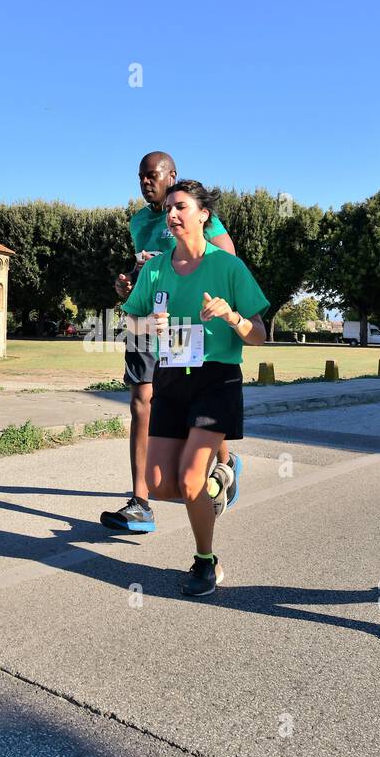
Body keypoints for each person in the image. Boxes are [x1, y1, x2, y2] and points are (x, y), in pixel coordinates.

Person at [120, 180, 269, 596]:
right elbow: (130, 319)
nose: (171, 214)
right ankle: (220, 482)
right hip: (171, 377)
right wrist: (147, 324)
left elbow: (257, 334)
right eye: (168, 208)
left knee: (189, 483)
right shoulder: (154, 268)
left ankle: (205, 561)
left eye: (180, 206)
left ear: (204, 215)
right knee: (158, 483)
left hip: (216, 378)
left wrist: (232, 318)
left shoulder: (228, 267)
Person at [101, 152, 242, 534]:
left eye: (152, 175)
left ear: (171, 175)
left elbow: (226, 256)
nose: (146, 182)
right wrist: (128, 282)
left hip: (184, 323)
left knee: (195, 400)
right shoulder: (139, 222)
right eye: (140, 177)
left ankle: (227, 464)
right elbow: (140, 269)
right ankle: (140, 503)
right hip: (149, 319)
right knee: (140, 402)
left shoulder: (191, 212)